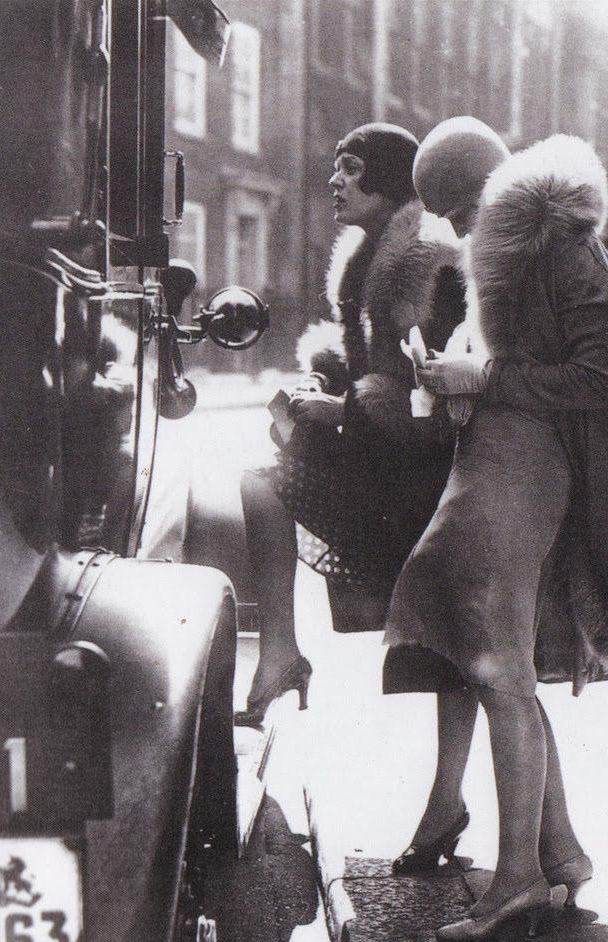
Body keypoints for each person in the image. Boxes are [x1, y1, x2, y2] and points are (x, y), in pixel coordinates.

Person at [383, 120, 608, 942]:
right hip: (525, 467)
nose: (451, 233)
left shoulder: (554, 244)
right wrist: (462, 374)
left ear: (480, 194)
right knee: (498, 656)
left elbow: (598, 376)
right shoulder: (533, 249)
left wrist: (481, 374)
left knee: (493, 660)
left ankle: (517, 879)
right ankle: (559, 851)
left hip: (534, 479)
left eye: (453, 211)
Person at [234, 122, 465, 728]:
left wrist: (347, 410)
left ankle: (281, 655)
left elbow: (448, 400)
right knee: (262, 483)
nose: (335, 179)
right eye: (337, 165)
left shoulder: (430, 264)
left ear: (388, 181)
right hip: (382, 466)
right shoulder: (366, 260)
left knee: (462, 660)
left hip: (425, 486)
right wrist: (322, 385)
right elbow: (364, 364)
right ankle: (280, 652)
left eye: (353, 168)